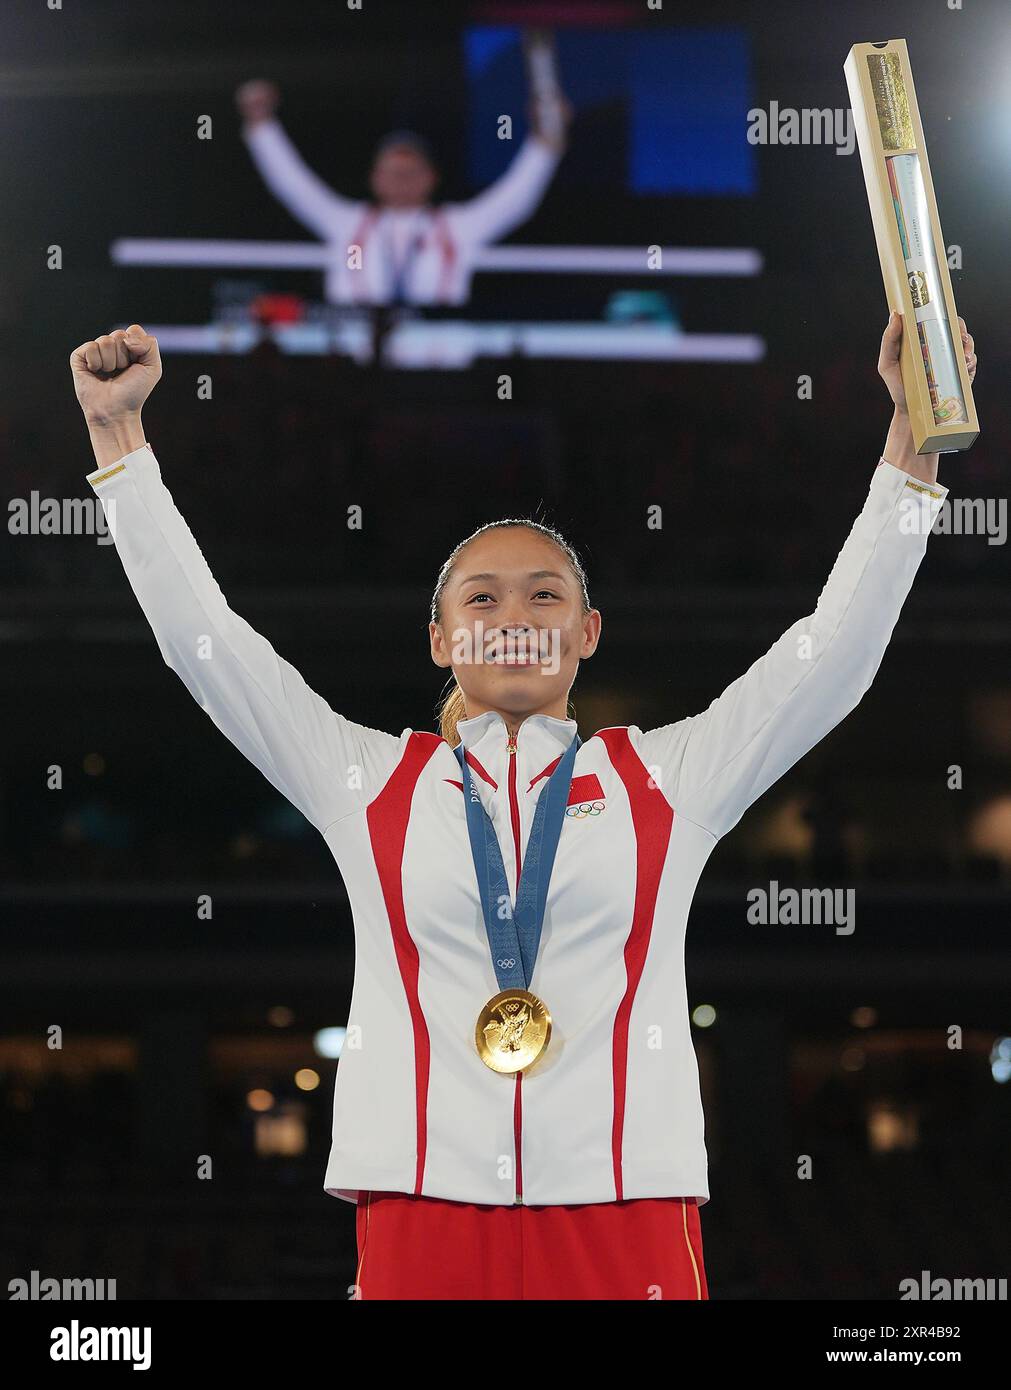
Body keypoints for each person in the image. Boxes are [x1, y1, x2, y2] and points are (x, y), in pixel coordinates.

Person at [69, 314, 977, 1299]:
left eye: (543, 597)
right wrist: (121, 443)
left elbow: (831, 661)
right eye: (482, 601)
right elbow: (210, 648)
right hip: (422, 1203)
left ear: (587, 631)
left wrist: (910, 447)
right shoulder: (366, 782)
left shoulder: (668, 780)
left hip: (625, 1203)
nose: (512, 621)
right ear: (439, 639)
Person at [235, 50, 570, 307]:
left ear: (432, 179)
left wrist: (545, 142)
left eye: (412, 172)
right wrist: (262, 124)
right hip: (353, 358)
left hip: (437, 357)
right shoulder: (345, 223)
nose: (402, 179)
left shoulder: (458, 227)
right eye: (393, 171)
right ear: (374, 179)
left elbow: (517, 197)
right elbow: (291, 184)